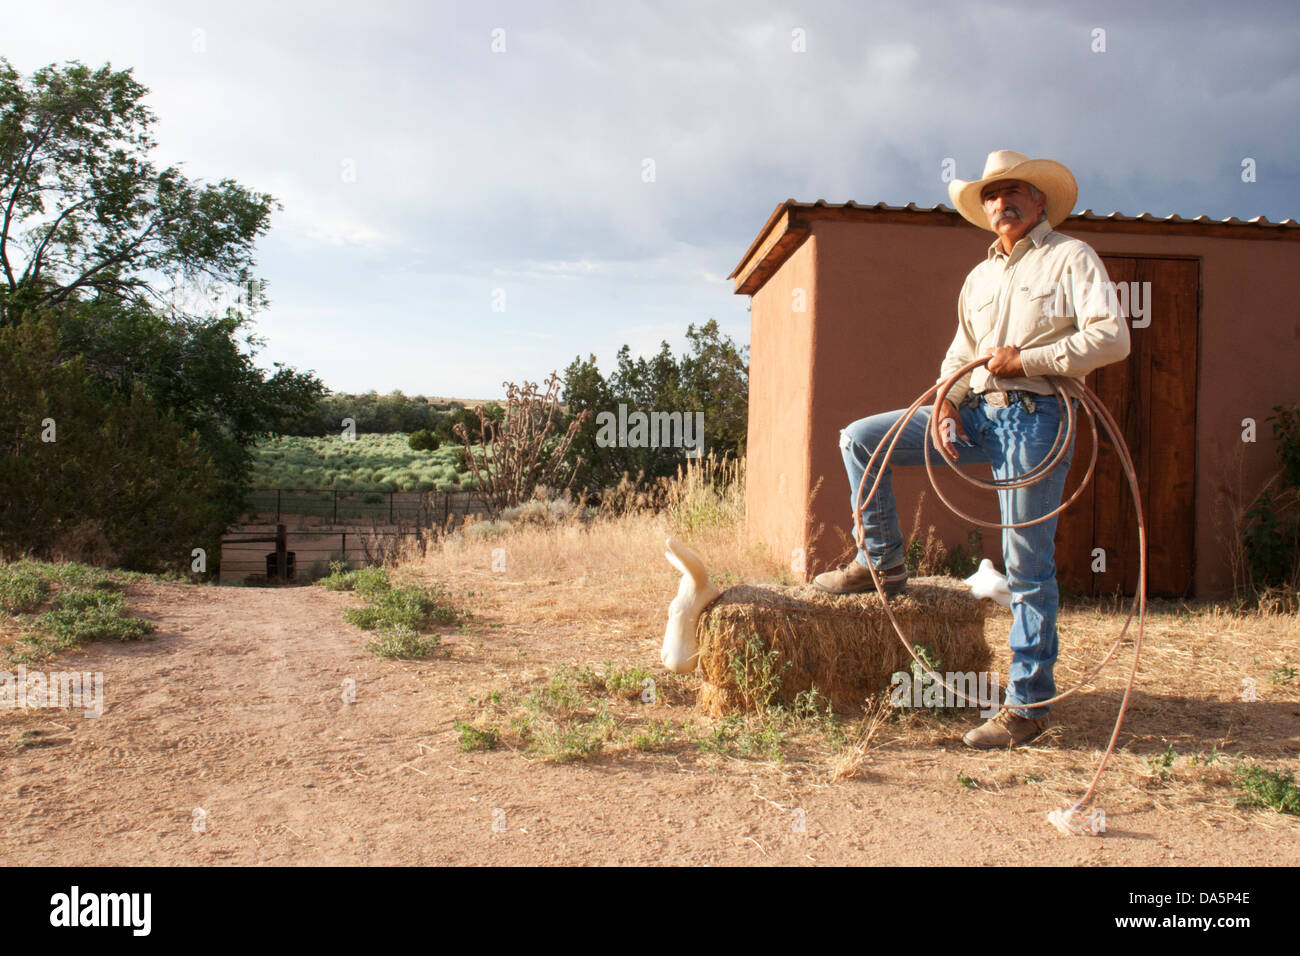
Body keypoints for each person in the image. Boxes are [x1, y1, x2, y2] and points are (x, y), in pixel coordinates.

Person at [812, 150, 1131, 748]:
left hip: (1038, 416)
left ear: (1039, 201)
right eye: (991, 195)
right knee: (861, 438)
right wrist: (949, 403)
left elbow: (1111, 338)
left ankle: (1029, 706)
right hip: (978, 412)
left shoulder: (1070, 258)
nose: (1001, 203)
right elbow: (961, 355)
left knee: (1025, 562)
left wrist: (1027, 358)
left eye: (1014, 192)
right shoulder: (979, 278)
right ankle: (881, 561)